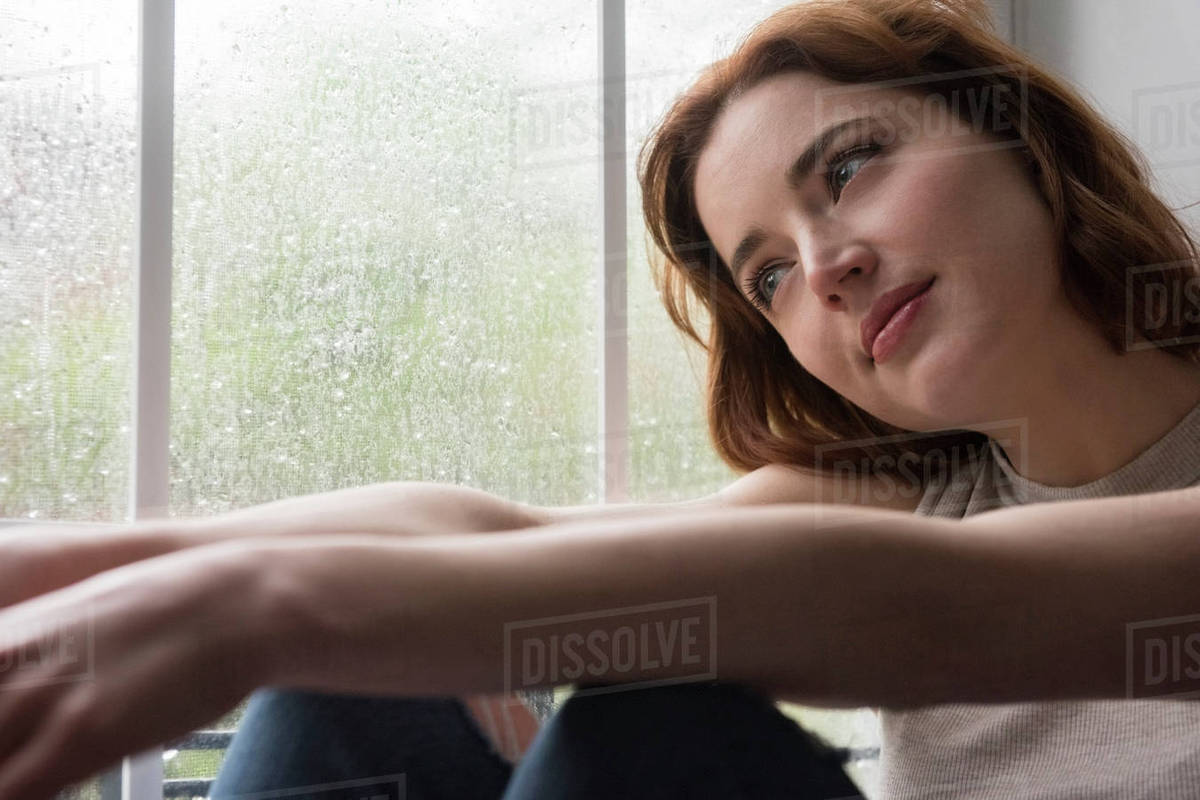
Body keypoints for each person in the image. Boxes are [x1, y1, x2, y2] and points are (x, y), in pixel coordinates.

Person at [1, 0, 1198, 798]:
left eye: (849, 168)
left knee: (648, 728)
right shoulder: (910, 496)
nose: (824, 266)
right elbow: (500, 539)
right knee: (352, 684)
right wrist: (88, 564)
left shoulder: (907, 561)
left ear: (1021, 141)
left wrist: (255, 607)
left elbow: (945, 609)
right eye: (769, 272)